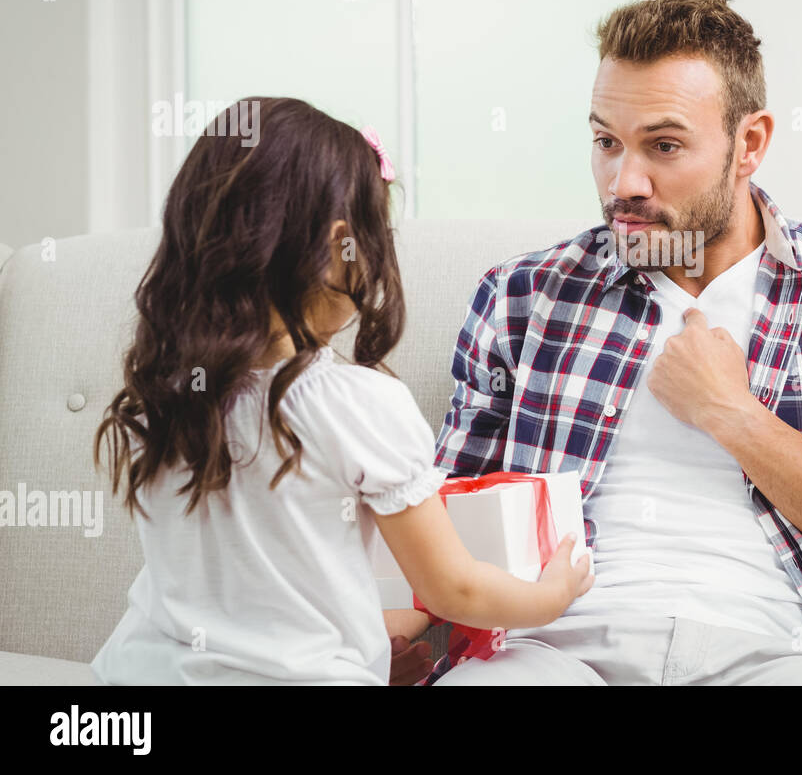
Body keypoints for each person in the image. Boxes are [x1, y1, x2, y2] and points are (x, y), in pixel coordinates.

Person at [399, 0, 802, 685]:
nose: (623, 181)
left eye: (663, 145)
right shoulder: (524, 296)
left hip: (781, 653)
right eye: (606, 142)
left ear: (749, 142)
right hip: (552, 649)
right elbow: (437, 522)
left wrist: (735, 417)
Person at [90, 97, 592, 685]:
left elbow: (253, 598)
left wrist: (369, 653)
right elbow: (451, 586)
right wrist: (551, 597)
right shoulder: (357, 403)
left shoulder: (167, 391)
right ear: (338, 248)